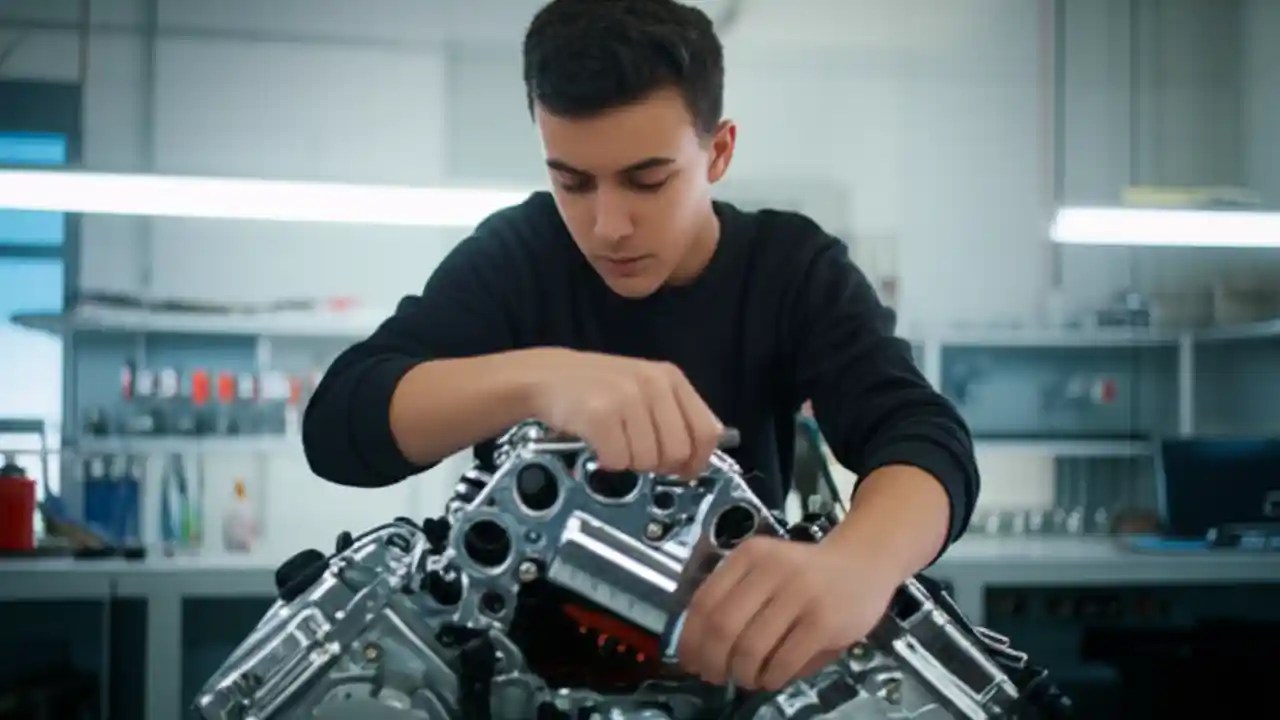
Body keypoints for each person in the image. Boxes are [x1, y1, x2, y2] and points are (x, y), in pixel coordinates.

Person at [302, 0, 979, 695]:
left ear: (718, 151)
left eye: (647, 181)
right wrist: (542, 378)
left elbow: (922, 436)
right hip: (522, 687)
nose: (608, 226)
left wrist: (857, 566)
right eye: (571, 182)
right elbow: (340, 424)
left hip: (732, 683)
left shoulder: (789, 268)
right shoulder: (519, 256)